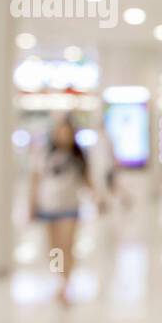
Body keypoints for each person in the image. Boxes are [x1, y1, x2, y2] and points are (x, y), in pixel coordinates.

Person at [29, 118, 95, 305]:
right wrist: (31, 205)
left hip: (70, 207)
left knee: (67, 246)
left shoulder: (78, 157)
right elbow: (35, 179)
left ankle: (66, 283)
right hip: (48, 207)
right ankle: (58, 278)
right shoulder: (44, 155)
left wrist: (97, 198)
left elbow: (88, 180)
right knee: (54, 249)